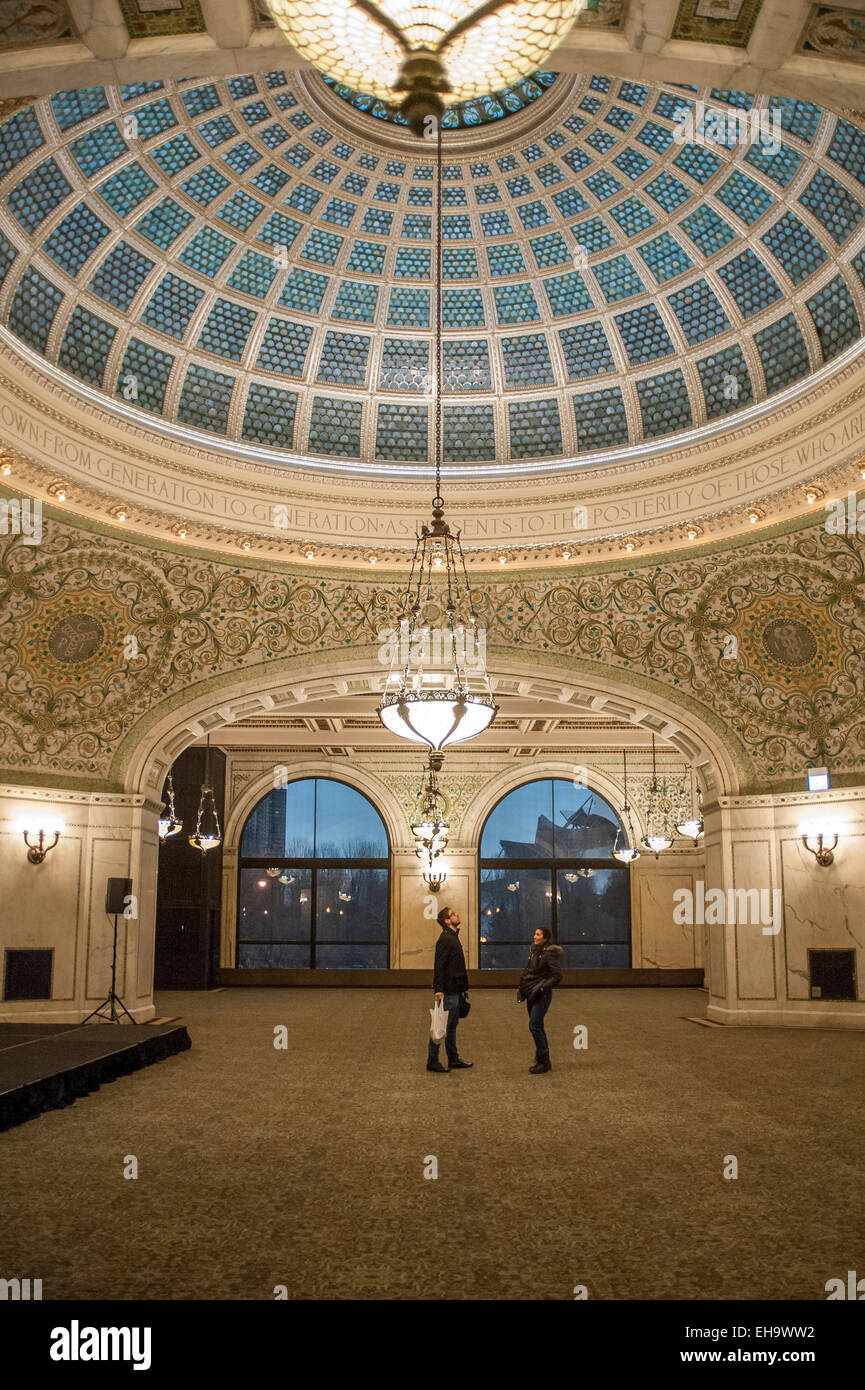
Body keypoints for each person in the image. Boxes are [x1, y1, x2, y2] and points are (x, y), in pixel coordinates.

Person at [427, 904, 472, 1073]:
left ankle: (453, 1058)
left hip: (455, 989)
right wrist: (438, 989)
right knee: (441, 1025)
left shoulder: (453, 936)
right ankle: (432, 1060)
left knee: (451, 1025)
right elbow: (440, 965)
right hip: (448, 991)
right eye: (453, 914)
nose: (457, 914)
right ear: (447, 921)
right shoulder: (446, 939)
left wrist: (462, 989)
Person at [517, 927, 563, 1074]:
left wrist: (543, 988)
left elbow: (557, 975)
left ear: (544, 938)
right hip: (531, 993)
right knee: (538, 1026)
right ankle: (543, 1059)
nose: (534, 936)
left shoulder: (549, 954)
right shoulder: (534, 951)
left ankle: (543, 1060)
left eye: (538, 934)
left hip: (541, 995)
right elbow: (528, 971)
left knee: (534, 1026)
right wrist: (522, 987)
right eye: (535, 934)